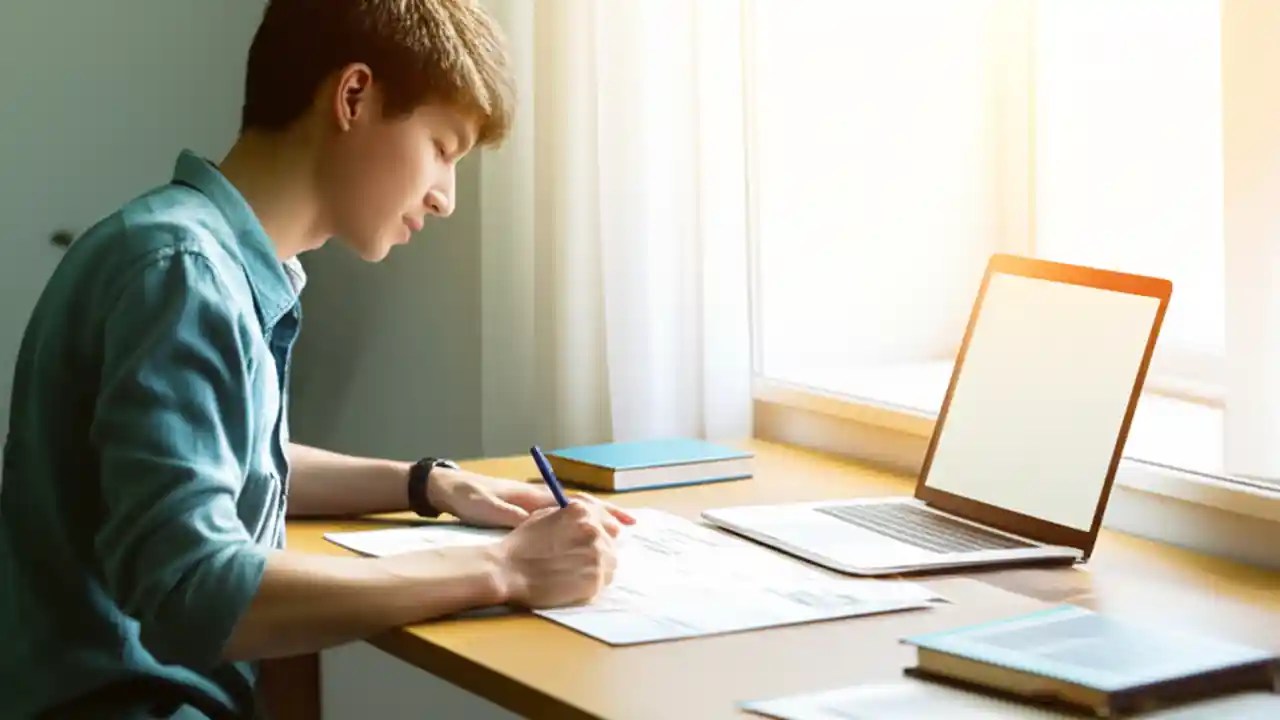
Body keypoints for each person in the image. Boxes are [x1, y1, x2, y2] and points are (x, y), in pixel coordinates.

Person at [0, 1, 633, 717]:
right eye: (442, 148)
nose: (445, 197)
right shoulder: (183, 276)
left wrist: (427, 485)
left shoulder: (196, 252)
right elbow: (195, 595)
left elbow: (222, 464)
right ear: (353, 96)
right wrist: (503, 570)